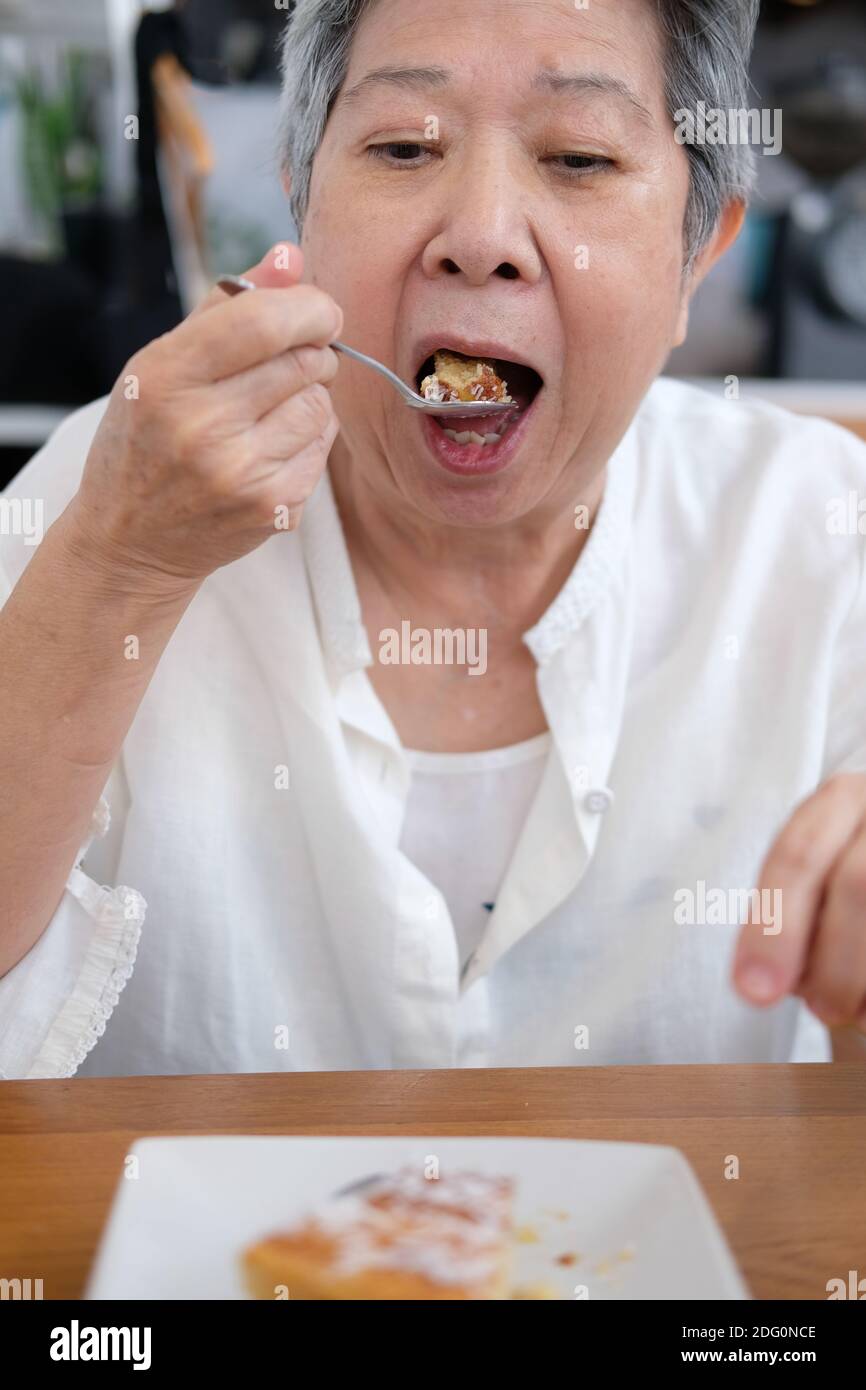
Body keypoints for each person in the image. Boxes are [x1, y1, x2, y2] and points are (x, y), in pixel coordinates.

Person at [1, 0, 865, 1079]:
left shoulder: (823, 542)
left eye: (580, 157)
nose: (480, 238)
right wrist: (115, 571)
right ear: (300, 207)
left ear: (698, 257)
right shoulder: (114, 491)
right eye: (403, 145)